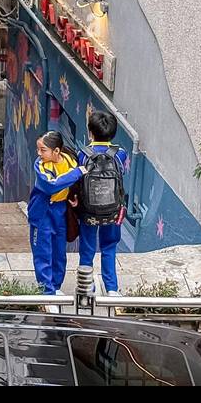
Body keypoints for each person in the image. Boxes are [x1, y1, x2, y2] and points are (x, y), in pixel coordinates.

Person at [75, 110, 130, 296]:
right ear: (113, 133)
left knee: (87, 248)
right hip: (112, 211)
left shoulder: (82, 154)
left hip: (88, 211)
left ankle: (86, 287)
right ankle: (112, 289)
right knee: (109, 246)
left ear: (90, 131)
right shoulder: (120, 154)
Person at [28, 131, 85, 295]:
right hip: (42, 212)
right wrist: (76, 173)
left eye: (43, 150)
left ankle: (56, 286)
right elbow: (51, 185)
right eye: (39, 149)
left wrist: (75, 196)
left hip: (60, 210)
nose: (39, 154)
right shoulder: (40, 165)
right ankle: (46, 291)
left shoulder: (71, 161)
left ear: (57, 151)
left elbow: (75, 183)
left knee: (59, 252)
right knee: (43, 252)